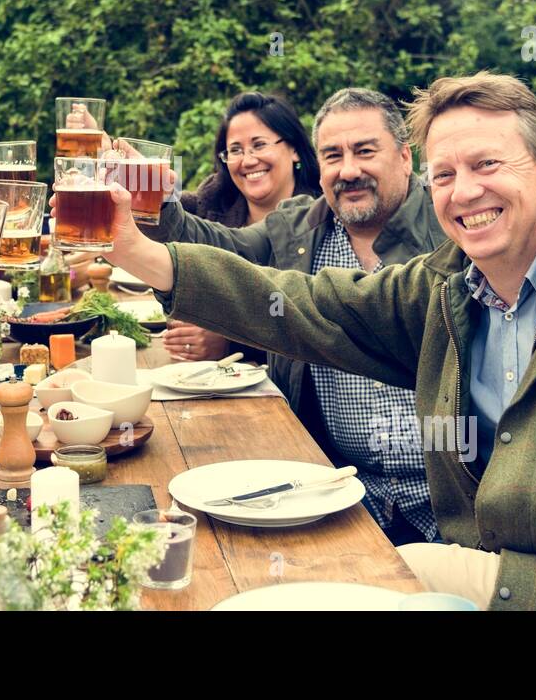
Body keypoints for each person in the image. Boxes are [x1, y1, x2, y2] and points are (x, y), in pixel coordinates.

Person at [103, 72, 536, 610]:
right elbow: (306, 306)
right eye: (447, 173)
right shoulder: (451, 286)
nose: (465, 190)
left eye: (487, 163)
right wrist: (140, 251)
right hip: (528, 580)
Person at [143, 89, 446, 544]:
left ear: (405, 157)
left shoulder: (452, 224)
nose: (349, 170)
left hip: (451, 500)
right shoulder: (295, 228)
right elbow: (217, 250)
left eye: (365, 151)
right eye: (333, 155)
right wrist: (156, 203)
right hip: (338, 490)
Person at [156, 92, 321, 365]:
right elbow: (164, 219)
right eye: (235, 150)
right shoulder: (208, 206)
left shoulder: (321, 219)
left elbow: (314, 328)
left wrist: (229, 340)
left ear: (293, 148)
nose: (247, 160)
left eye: (259, 145)